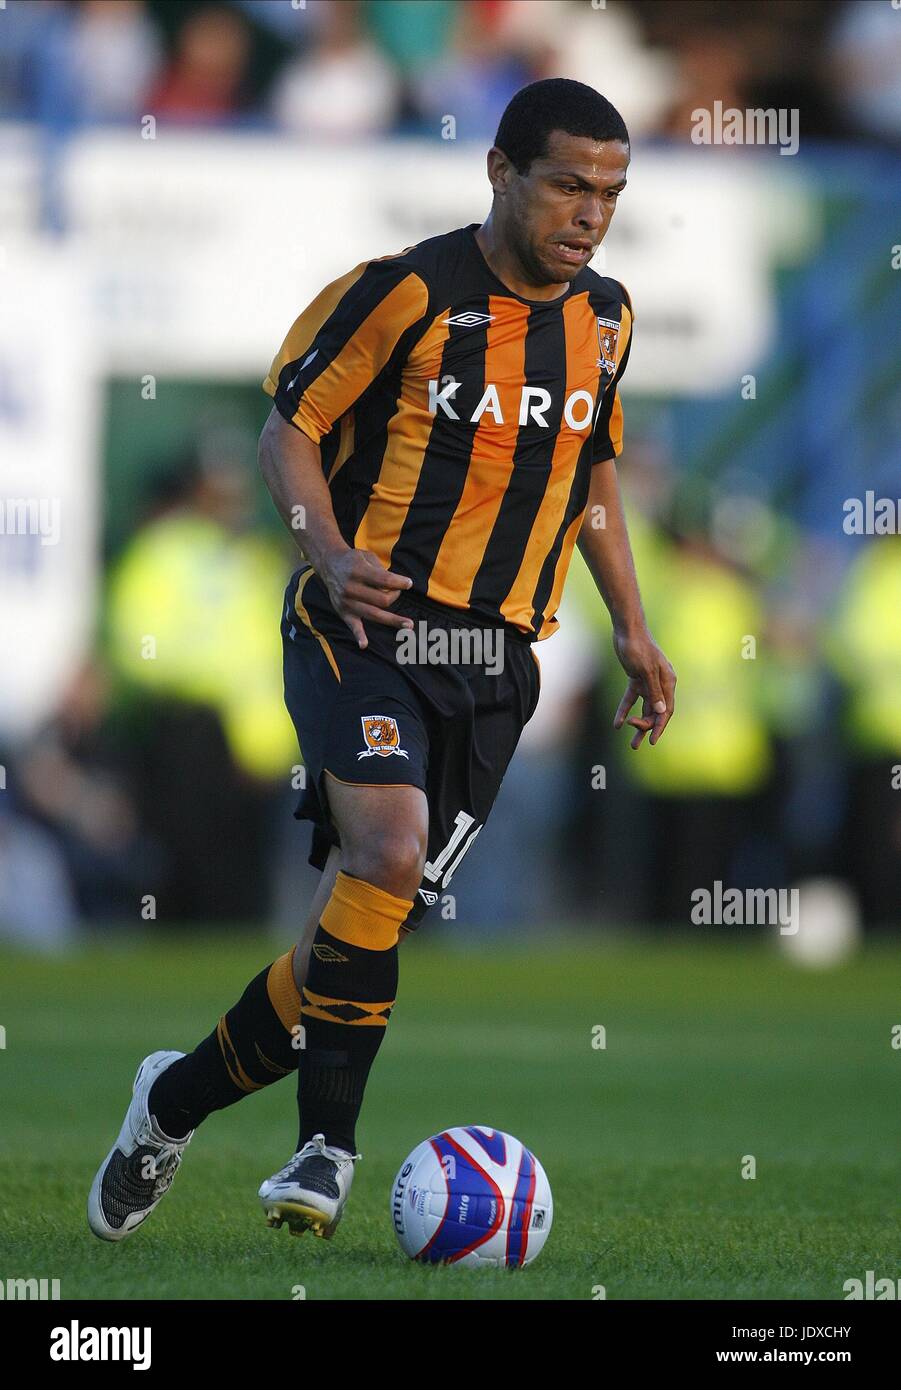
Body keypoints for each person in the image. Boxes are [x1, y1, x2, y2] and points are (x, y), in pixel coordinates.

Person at [87, 78, 676, 1246]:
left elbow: (590, 475)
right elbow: (287, 433)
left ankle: (171, 1101)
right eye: (567, 184)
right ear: (500, 173)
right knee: (387, 850)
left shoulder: (605, 317)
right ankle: (327, 1149)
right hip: (365, 626)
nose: (589, 214)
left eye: (609, 192)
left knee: (352, 934)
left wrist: (634, 624)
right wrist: (328, 549)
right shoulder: (401, 293)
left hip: (497, 661)